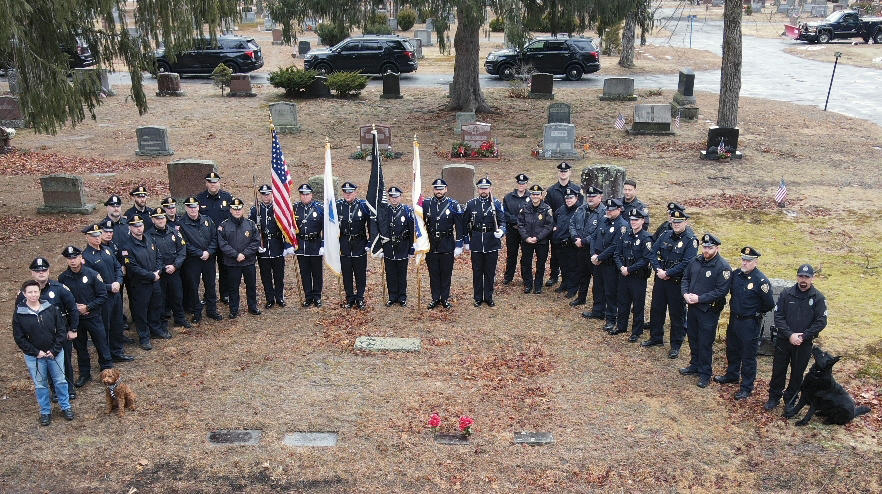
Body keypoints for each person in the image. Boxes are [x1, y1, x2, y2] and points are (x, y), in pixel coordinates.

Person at [715, 246, 775, 400]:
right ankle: (732, 374)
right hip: (734, 319)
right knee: (732, 349)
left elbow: (768, 304)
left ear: (755, 262)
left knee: (748, 356)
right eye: (743, 259)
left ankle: (747, 386)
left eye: (748, 261)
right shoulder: (736, 275)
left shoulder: (761, 281)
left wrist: (753, 313)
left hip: (750, 322)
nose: (745, 263)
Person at [765, 264, 827, 411]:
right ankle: (774, 397)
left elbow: (821, 321)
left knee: (797, 373)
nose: (803, 280)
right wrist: (790, 334)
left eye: (806, 277)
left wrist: (803, 336)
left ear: (812, 278)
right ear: (797, 277)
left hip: (804, 343)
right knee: (778, 370)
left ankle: (791, 399)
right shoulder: (786, 294)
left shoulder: (818, 298)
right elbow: (778, 316)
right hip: (784, 340)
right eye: (801, 276)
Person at [16, 257, 79, 401]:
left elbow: (73, 309)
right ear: (32, 273)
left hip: (60, 334)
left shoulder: (59, 288)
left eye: (44, 270)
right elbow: (19, 318)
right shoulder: (23, 294)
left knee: (65, 362)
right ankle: (55, 391)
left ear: (49, 271)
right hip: (38, 337)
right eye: (37, 271)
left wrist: (73, 329)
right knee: (45, 364)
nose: (41, 273)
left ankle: (69, 388)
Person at [13, 280, 74, 426]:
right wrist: (36, 352)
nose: (33, 294)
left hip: (55, 354)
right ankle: (45, 411)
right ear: (24, 294)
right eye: (30, 292)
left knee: (60, 381)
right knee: (40, 385)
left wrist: (54, 350)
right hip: (35, 357)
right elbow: (19, 338)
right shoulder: (19, 313)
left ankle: (66, 407)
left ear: (39, 292)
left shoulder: (50, 308)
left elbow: (61, 330)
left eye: (35, 291)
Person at [679, 233, 732, 388]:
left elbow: (721, 291)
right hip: (693, 307)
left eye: (710, 247)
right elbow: (685, 279)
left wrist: (699, 298)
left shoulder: (723, 267)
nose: (707, 250)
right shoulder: (695, 261)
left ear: (717, 248)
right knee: (693, 337)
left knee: (705, 342)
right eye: (705, 247)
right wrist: (685, 294)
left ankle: (705, 373)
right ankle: (694, 364)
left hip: (708, 310)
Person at [644, 209, 698, 358]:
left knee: (677, 314)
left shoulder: (690, 240)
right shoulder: (665, 234)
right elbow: (652, 254)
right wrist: (659, 270)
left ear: (685, 222)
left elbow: (687, 262)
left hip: (676, 282)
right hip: (661, 279)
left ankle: (675, 345)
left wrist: (668, 273)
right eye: (674, 222)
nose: (676, 224)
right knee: (656, 309)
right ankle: (656, 337)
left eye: (679, 222)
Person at [57, 245, 113, 388]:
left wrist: (88, 307)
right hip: (76, 320)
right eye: (69, 259)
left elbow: (103, 295)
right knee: (80, 347)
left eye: (75, 257)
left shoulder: (92, 274)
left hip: (93, 317)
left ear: (81, 258)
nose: (73, 261)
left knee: (101, 344)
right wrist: (75, 309)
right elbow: (62, 300)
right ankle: (85, 374)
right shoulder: (63, 278)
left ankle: (107, 371)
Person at [81, 224, 133, 362]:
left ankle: (117, 351)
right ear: (87, 237)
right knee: (105, 326)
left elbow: (117, 267)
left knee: (117, 324)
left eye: (98, 234)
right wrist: (110, 287)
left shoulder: (107, 250)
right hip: (102, 297)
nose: (97, 238)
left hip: (115, 293)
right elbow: (90, 282)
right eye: (94, 236)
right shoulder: (86, 258)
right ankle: (106, 356)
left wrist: (118, 281)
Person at [118, 215, 166, 350]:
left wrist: (157, 272)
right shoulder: (126, 246)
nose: (138, 228)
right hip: (140, 284)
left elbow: (159, 256)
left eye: (140, 225)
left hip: (154, 280)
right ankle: (144, 336)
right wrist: (151, 275)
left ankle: (155, 329)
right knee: (141, 311)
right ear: (130, 228)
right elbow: (132, 267)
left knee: (156, 306)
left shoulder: (149, 239)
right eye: (135, 226)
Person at [178, 196, 223, 323]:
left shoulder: (207, 220)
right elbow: (184, 244)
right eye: (190, 207)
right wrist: (199, 253)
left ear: (198, 207)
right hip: (193, 261)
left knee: (210, 285)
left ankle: (212, 310)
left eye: (195, 206)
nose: (193, 209)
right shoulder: (181, 224)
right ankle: (196, 312)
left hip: (208, 258)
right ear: (186, 208)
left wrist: (209, 252)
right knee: (193, 286)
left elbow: (215, 237)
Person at [463, 178, 505, 307]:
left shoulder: (496, 203)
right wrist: (466, 240)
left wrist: (502, 231)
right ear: (478, 189)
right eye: (481, 188)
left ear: (490, 189)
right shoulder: (471, 204)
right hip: (476, 241)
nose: (483, 191)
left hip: (491, 241)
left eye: (486, 188)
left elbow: (503, 221)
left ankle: (488, 296)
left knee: (490, 272)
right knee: (477, 271)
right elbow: (465, 223)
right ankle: (477, 298)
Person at [218, 197, 262, 318]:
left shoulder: (250, 224)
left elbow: (255, 241)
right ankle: (234, 309)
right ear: (230, 210)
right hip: (232, 263)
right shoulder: (224, 225)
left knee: (251, 285)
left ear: (242, 210)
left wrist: (244, 254)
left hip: (248, 262)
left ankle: (252, 307)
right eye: (234, 209)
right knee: (233, 288)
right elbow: (222, 244)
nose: (237, 211)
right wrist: (236, 255)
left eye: (239, 209)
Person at [423, 178, 463, 309]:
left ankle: (444, 298)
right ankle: (435, 298)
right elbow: (420, 223)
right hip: (431, 244)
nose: (438, 191)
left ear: (446, 189)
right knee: (433, 273)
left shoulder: (453, 204)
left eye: (441, 189)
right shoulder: (427, 204)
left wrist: (459, 244)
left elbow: (459, 226)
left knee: (446, 273)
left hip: (447, 243)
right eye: (436, 188)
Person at [250, 184, 292, 309]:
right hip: (263, 246)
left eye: (268, 194)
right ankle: (269, 299)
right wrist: (256, 244)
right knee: (265, 275)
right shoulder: (255, 210)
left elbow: (286, 228)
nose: (266, 196)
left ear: (272, 194)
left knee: (279, 275)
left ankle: (279, 297)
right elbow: (251, 228)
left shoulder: (278, 208)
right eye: (263, 194)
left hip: (277, 245)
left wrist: (286, 246)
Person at [614, 209, 653, 342]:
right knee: (623, 301)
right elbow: (617, 254)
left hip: (637, 276)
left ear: (642, 221)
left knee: (638, 304)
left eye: (636, 220)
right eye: (631, 220)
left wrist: (629, 269)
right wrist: (621, 268)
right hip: (624, 273)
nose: (633, 222)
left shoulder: (646, 238)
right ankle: (621, 326)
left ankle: (636, 331)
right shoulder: (625, 235)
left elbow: (645, 260)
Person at [148, 207, 190, 329]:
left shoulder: (174, 232)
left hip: (174, 271)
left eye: (162, 217)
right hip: (159, 273)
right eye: (157, 218)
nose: (160, 220)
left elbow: (182, 250)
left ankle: (180, 318)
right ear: (152, 220)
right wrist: (161, 268)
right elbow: (151, 256)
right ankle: (162, 323)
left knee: (177, 296)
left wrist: (175, 265)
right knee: (160, 299)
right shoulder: (148, 236)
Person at [196, 172, 234, 304]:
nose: (213, 184)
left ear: (219, 183)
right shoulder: (199, 199)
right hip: (207, 243)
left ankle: (225, 294)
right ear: (206, 183)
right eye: (210, 182)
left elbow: (233, 218)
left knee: (225, 269)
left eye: (215, 182)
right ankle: (209, 296)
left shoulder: (227, 197)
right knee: (208, 273)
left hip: (224, 241)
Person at [544, 162, 583, 287]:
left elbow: (581, 209)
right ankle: (554, 276)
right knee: (555, 255)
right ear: (558, 173)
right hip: (557, 228)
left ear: (570, 172)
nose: (563, 173)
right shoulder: (551, 191)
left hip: (572, 230)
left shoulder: (577, 190)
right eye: (561, 171)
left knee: (572, 258)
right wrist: (553, 226)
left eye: (565, 171)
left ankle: (570, 281)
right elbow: (548, 210)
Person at [375, 186, 414, 306]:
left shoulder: (407, 210)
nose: (394, 199)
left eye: (396, 197)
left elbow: (412, 230)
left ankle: (402, 296)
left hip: (402, 246)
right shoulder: (384, 211)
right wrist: (379, 247)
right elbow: (378, 228)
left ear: (401, 197)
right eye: (391, 197)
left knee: (402, 273)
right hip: (388, 247)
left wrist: (412, 247)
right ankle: (392, 296)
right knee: (390, 272)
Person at [592, 198, 627, 332]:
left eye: (612, 210)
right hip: (597, 260)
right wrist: (593, 254)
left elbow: (615, 246)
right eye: (607, 209)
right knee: (598, 287)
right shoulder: (604, 220)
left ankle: (611, 318)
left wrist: (600, 257)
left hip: (610, 263)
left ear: (619, 210)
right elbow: (594, 236)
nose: (609, 212)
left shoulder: (622, 225)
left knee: (610, 291)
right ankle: (597, 311)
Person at [336, 182, 371, 309]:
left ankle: (360, 297)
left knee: (360, 273)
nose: (347, 194)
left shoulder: (363, 206)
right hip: (344, 244)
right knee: (346, 273)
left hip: (359, 243)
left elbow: (370, 223)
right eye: (345, 192)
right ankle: (350, 298)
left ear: (355, 193)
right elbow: (331, 225)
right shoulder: (338, 206)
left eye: (350, 192)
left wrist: (370, 241)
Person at [571, 186, 606, 312]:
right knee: (582, 274)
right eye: (589, 196)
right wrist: (575, 237)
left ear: (600, 197)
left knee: (597, 279)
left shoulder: (604, 212)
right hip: (580, 248)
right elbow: (572, 223)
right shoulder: (581, 208)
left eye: (593, 196)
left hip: (594, 250)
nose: (590, 198)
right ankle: (581, 297)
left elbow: (600, 232)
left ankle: (597, 306)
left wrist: (585, 241)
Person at [517, 185, 554, 294]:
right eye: (533, 194)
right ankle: (528, 284)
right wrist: (526, 237)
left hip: (541, 241)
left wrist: (538, 237)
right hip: (527, 241)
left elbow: (549, 226)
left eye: (537, 194)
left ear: (541, 196)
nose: (535, 196)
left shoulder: (547, 209)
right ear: (530, 195)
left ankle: (538, 285)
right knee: (526, 263)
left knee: (541, 264)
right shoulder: (525, 208)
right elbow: (520, 224)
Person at [294, 184, 324, 307]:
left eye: (307, 194)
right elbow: (289, 228)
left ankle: (317, 296)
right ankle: (308, 296)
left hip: (315, 244)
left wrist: (323, 244)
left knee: (317, 272)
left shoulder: (319, 208)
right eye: (302, 194)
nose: (305, 196)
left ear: (311, 195)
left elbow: (325, 227)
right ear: (300, 195)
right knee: (304, 272)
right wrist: (290, 244)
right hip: (301, 245)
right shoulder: (294, 208)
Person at [502, 174, 531, 285]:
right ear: (517, 183)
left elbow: (531, 214)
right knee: (511, 255)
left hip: (525, 231)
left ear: (526, 184)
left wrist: (521, 221)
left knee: (526, 256)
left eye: (523, 183)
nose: (521, 185)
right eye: (519, 183)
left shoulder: (531, 197)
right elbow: (505, 213)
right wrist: (517, 220)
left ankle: (526, 278)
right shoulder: (508, 197)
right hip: (512, 230)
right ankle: (508, 277)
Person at [552, 191, 580, 297]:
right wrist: (554, 228)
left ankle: (572, 289)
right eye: (567, 198)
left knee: (573, 267)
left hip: (571, 244)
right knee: (563, 266)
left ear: (576, 198)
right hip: (560, 242)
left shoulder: (579, 210)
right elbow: (554, 219)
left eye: (571, 198)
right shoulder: (561, 209)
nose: (568, 200)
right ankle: (564, 284)